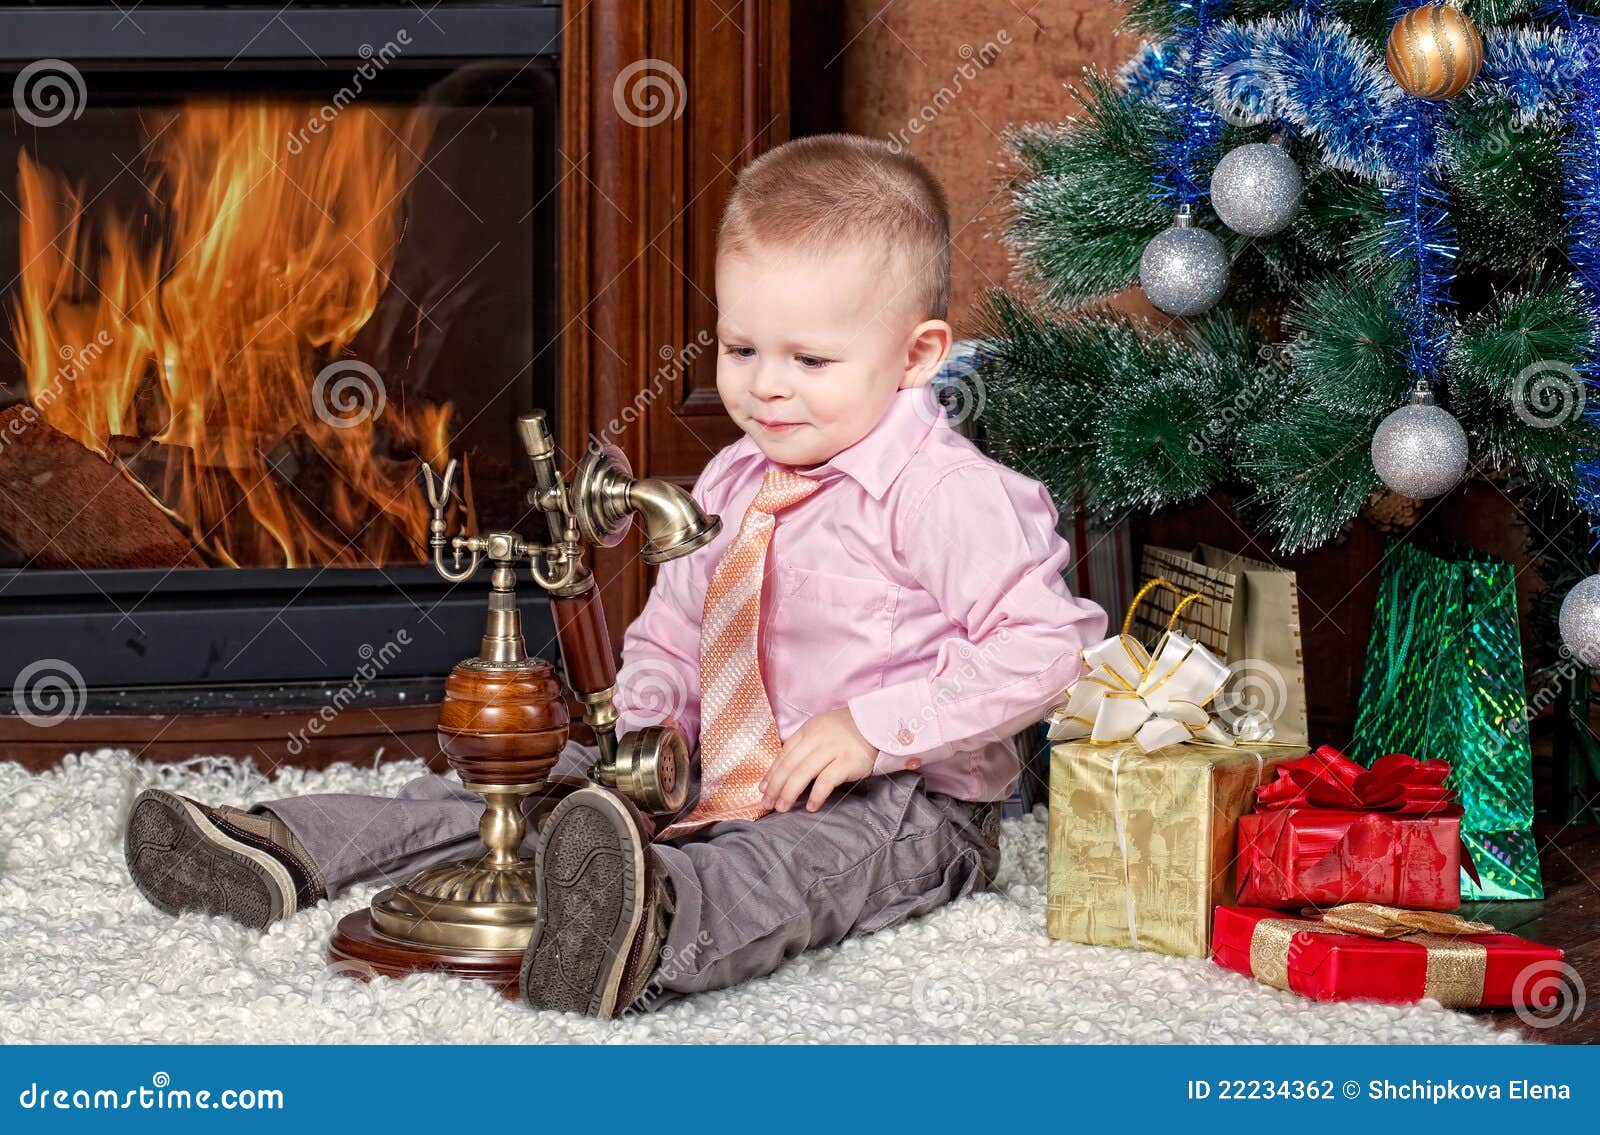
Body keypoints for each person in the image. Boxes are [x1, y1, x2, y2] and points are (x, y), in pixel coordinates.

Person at [124, 133, 1109, 1018]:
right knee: (526, 790)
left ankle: (648, 922)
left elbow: (1051, 650)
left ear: (915, 357)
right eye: (740, 347)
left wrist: (873, 728)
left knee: (793, 866)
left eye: (809, 358)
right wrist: (645, 729)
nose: (765, 385)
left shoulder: (945, 493)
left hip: (897, 802)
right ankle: (286, 847)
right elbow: (681, 624)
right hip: (704, 761)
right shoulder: (735, 476)